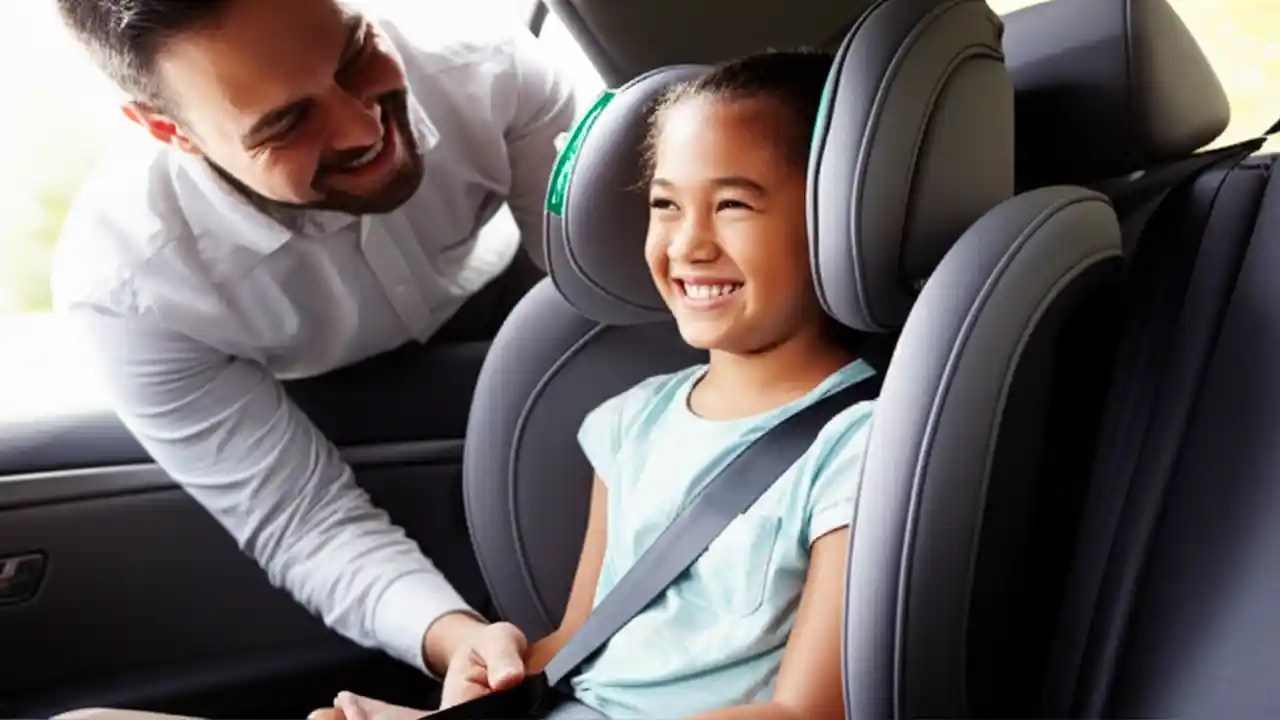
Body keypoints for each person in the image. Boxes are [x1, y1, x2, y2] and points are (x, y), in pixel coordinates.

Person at [315, 49, 874, 720]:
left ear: (833, 219)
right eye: (666, 204)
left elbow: (807, 712)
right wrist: (479, 687)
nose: (688, 243)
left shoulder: (858, 445)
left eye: (732, 204)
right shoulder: (629, 422)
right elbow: (584, 642)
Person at [51, 0, 576, 701]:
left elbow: (614, 296)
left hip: (520, 297)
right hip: (322, 390)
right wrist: (458, 641)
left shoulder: (491, 66)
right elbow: (302, 520)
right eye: (286, 123)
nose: (365, 128)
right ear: (166, 130)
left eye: (355, 54)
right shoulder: (129, 287)